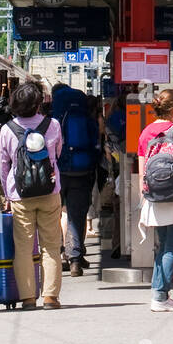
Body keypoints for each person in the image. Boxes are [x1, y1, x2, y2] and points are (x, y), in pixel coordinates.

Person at [0, 81, 65, 310]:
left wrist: (8, 195)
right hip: (49, 191)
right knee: (51, 246)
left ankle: (27, 297)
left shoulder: (7, 129)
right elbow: (57, 153)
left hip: (19, 195)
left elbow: (3, 166)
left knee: (24, 247)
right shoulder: (53, 125)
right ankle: (50, 297)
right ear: (38, 104)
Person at [138, 88, 173, 312]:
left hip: (154, 194)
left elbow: (142, 166)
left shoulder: (146, 131)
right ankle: (160, 295)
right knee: (172, 245)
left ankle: (159, 292)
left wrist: (144, 192)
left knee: (162, 245)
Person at [52, 82, 101, 276]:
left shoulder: (54, 120)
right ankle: (75, 260)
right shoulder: (87, 119)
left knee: (55, 214)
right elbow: (96, 145)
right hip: (82, 173)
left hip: (59, 173)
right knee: (77, 216)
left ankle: (58, 254)